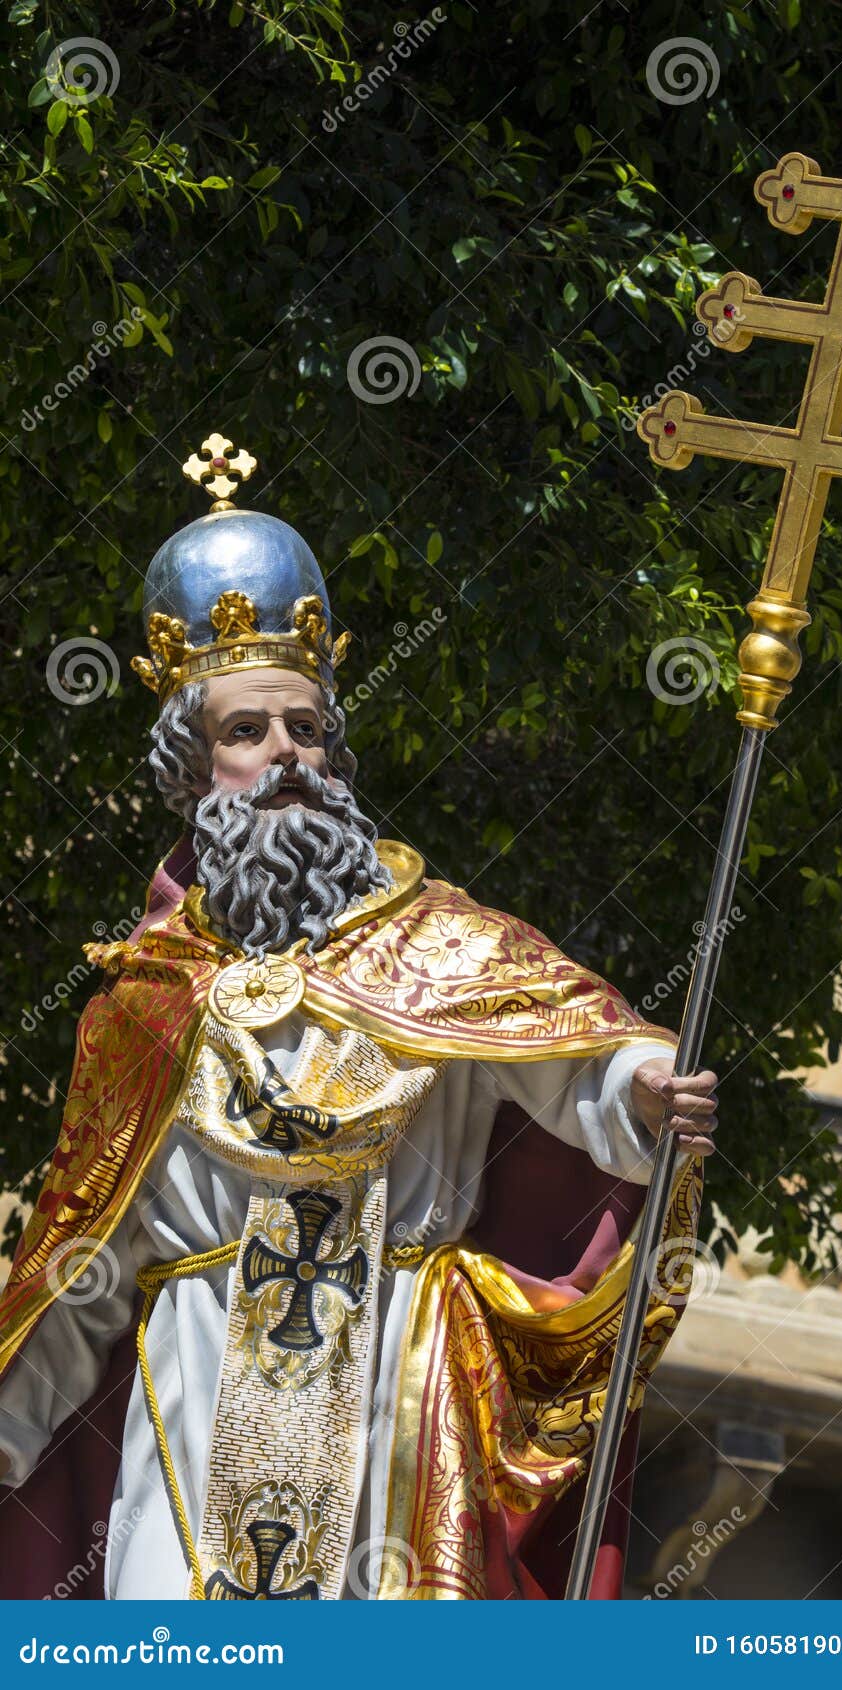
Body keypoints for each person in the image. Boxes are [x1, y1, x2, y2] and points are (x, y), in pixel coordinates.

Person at [0, 436, 716, 1600]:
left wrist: (637, 1085)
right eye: (246, 732)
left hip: (396, 1407)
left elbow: (569, 1057)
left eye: (306, 727)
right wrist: (12, 1427)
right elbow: (86, 1269)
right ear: (192, 770)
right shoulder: (143, 1006)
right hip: (190, 1416)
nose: (286, 753)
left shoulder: (441, 940)